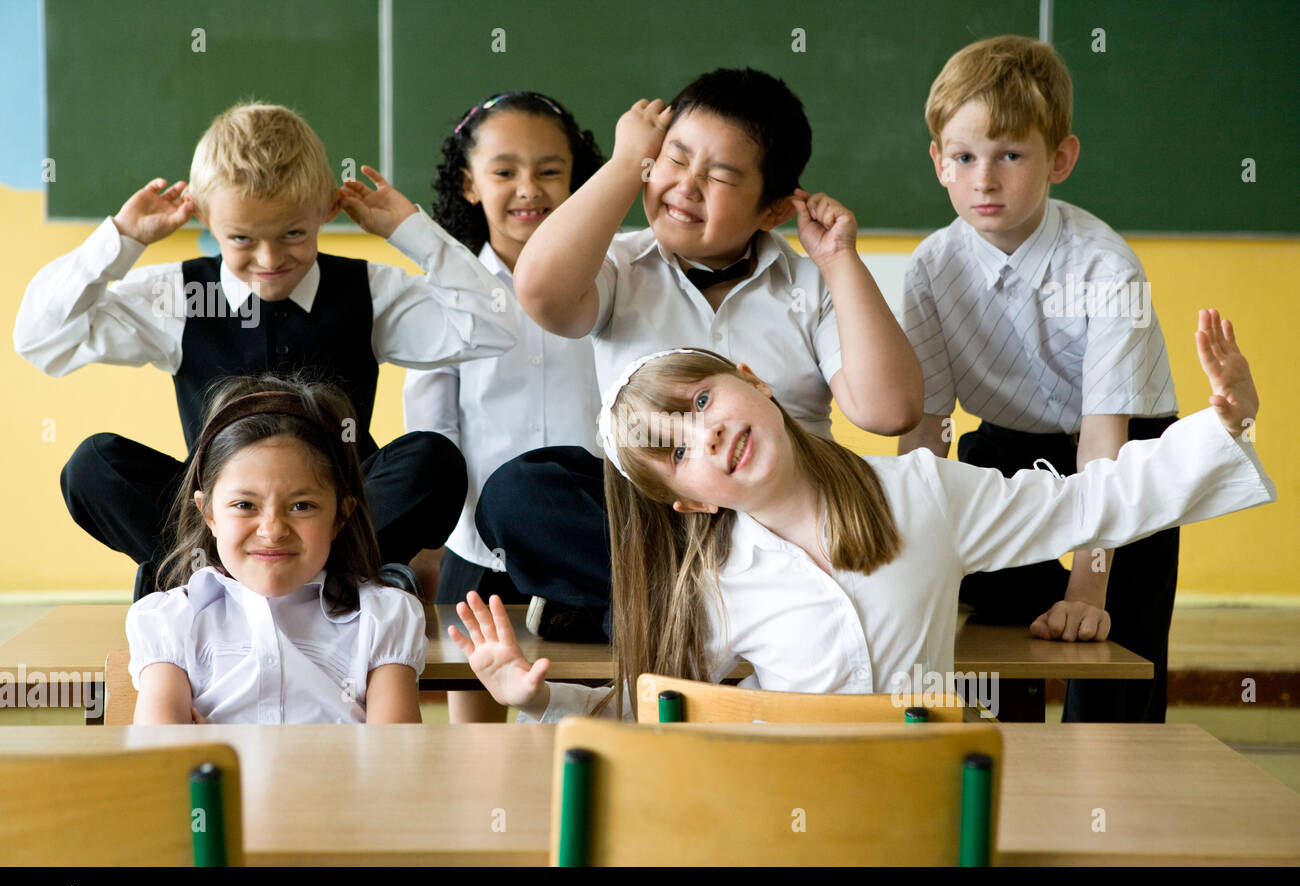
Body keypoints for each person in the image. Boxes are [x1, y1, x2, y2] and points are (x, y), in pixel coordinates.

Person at [449, 311, 1273, 722]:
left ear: (753, 378)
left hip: (926, 805)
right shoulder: (713, 584)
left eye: (703, 400)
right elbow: (651, 714)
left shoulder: (922, 493)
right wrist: (534, 700)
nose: (709, 433)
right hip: (794, 819)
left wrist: (1225, 425)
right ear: (690, 498)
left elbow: (1090, 501)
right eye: (677, 449)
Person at [477, 67, 922, 640]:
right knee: (519, 493)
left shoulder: (807, 289)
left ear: (773, 210)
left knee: (893, 501)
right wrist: (623, 164)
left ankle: (647, 612)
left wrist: (840, 261)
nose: (686, 186)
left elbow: (891, 411)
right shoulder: (618, 267)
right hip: (651, 530)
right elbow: (541, 293)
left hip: (776, 526)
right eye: (675, 158)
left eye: (720, 177)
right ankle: (689, 610)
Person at [15, 102, 516, 600]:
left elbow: (495, 326)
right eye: (242, 239)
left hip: (338, 517)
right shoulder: (179, 296)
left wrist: (412, 232)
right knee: (93, 466)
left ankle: (320, 577)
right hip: (216, 525)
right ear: (204, 217)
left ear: (327, 208)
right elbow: (41, 338)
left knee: (434, 460)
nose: (270, 259)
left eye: (294, 234)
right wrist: (120, 240)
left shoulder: (367, 290)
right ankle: (237, 577)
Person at [897, 35, 1179, 721]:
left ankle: (1111, 803)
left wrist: (1088, 588)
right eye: (963, 157)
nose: (983, 180)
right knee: (992, 641)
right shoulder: (930, 270)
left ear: (1060, 158)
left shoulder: (1107, 268)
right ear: (938, 163)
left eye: (1010, 155)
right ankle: (1004, 777)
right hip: (1004, 448)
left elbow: (1103, 445)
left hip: (1124, 453)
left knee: (1113, 655)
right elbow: (927, 431)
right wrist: (914, 563)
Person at [396, 90, 605, 721]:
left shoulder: (612, 281)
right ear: (468, 184)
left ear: (579, 181)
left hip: (584, 538)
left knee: (584, 714)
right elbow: (433, 431)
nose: (528, 189)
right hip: (478, 552)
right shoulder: (446, 294)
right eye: (505, 171)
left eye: (549, 171)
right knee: (477, 739)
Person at [129, 374, 425, 724]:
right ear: (208, 513)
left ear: (341, 515)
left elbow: (394, 766)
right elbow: (164, 767)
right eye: (244, 505)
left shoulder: (382, 618)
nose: (272, 530)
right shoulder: (172, 621)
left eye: (301, 506)